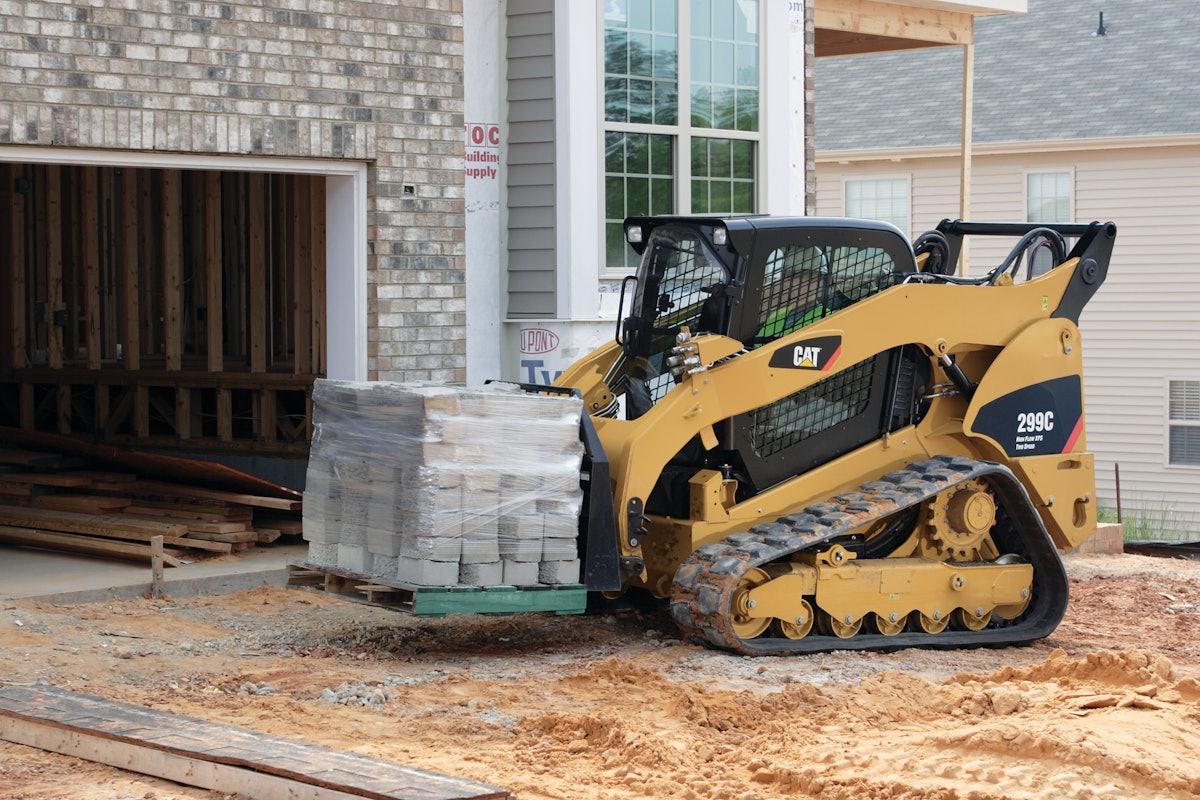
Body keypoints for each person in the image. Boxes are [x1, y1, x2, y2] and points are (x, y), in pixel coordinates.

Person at [756, 248, 829, 341]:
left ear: (815, 279)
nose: (786, 281)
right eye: (786, 275)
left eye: (794, 275)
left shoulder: (827, 320)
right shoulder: (777, 316)